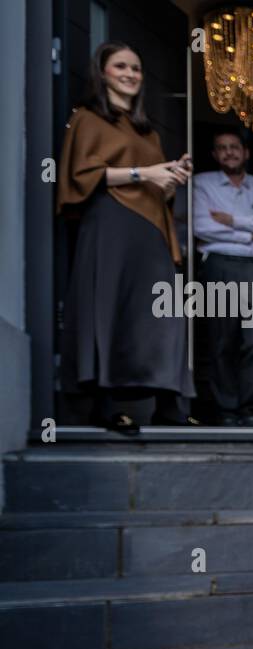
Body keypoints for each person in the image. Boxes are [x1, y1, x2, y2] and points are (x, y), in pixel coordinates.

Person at [56, 42, 196, 434]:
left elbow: (157, 186)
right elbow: (83, 176)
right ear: (103, 73)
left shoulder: (146, 130)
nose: (131, 74)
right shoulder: (87, 119)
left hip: (150, 227)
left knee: (160, 314)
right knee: (108, 310)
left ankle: (170, 404)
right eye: (121, 66)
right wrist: (144, 173)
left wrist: (170, 176)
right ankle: (106, 408)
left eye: (136, 68)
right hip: (110, 223)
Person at [191, 129, 253, 426]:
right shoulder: (202, 184)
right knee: (222, 342)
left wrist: (234, 221)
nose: (229, 152)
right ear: (214, 154)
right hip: (219, 265)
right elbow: (201, 227)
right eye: (222, 148)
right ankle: (227, 410)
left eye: (234, 147)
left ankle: (249, 409)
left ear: (245, 153)